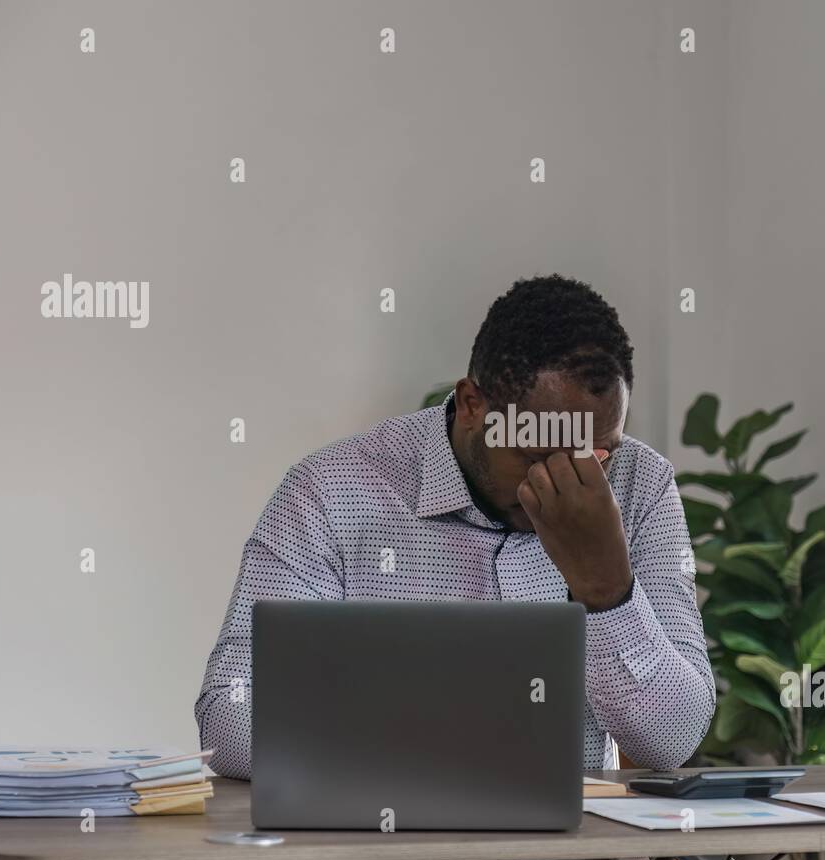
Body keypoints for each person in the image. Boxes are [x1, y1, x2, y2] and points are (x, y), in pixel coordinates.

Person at [195, 273, 715, 780]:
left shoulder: (640, 485)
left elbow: (670, 741)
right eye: (541, 454)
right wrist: (421, 747)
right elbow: (230, 716)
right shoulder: (329, 491)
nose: (571, 484)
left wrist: (606, 588)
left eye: (599, 454)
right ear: (472, 405)